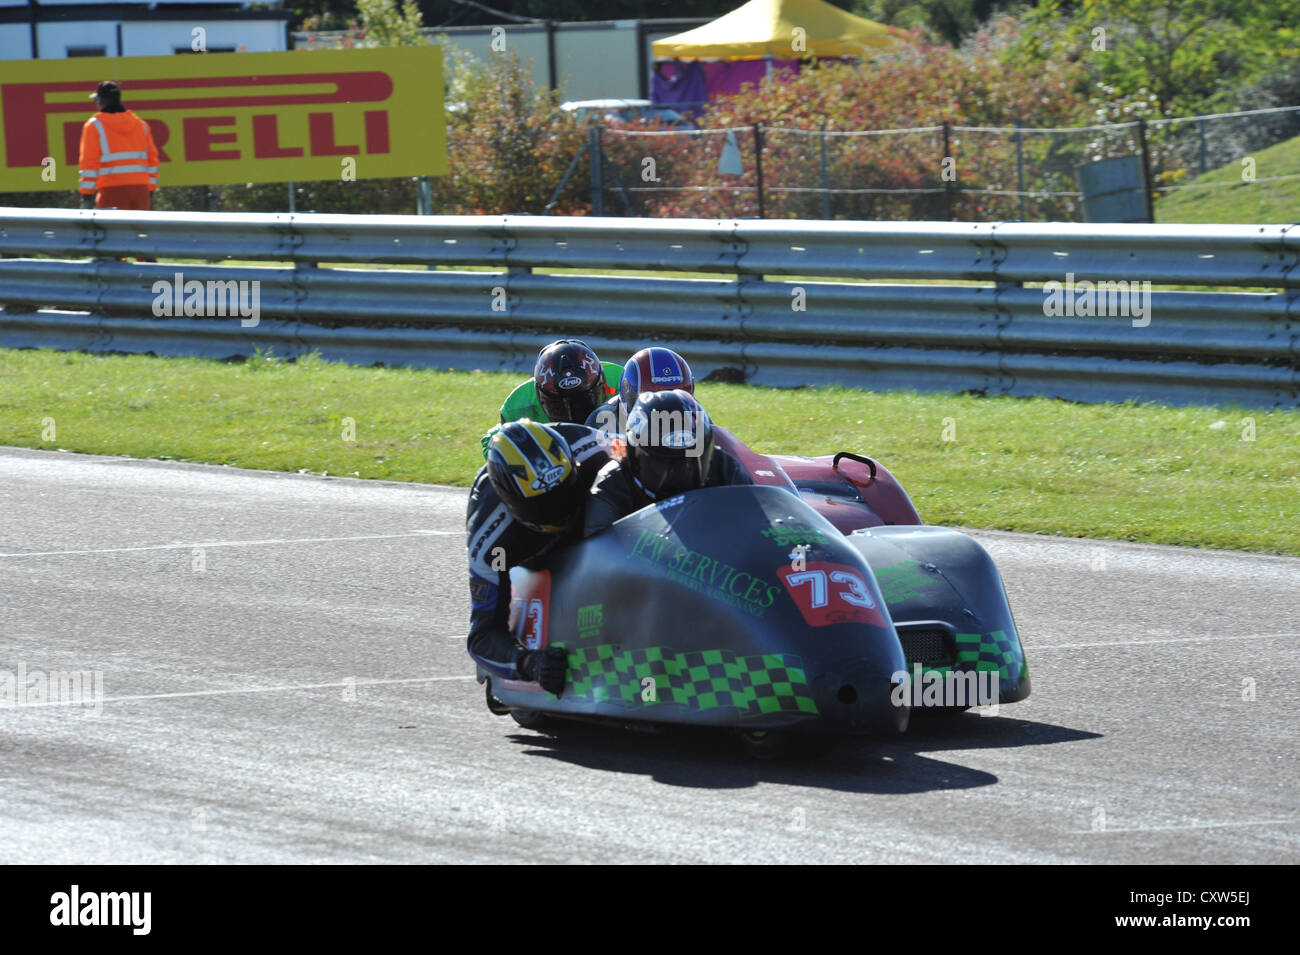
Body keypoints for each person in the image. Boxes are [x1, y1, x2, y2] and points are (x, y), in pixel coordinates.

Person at [467, 419, 613, 695]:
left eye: (564, 491)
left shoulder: (598, 449)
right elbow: (481, 638)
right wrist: (529, 664)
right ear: (511, 501)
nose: (559, 510)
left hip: (600, 522)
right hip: (535, 555)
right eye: (543, 504)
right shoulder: (490, 542)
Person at [584, 389, 752, 537]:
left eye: (689, 462)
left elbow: (757, 521)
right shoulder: (612, 484)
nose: (680, 474)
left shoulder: (723, 467)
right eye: (665, 464)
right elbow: (601, 557)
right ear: (635, 455)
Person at [480, 340, 622, 456]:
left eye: (583, 400)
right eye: (560, 405)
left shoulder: (620, 383)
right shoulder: (519, 407)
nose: (574, 414)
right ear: (540, 395)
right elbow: (493, 441)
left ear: (601, 385)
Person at [77, 82, 160, 211]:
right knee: (140, 231)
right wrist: (150, 192)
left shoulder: (94, 126)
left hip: (110, 191)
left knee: (113, 231)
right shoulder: (141, 125)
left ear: (100, 101)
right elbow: (153, 161)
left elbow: (89, 164)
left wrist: (86, 196)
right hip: (141, 192)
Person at [586, 346, 694, 435]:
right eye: (653, 398)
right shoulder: (601, 420)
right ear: (628, 390)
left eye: (676, 397)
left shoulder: (694, 414)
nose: (665, 409)